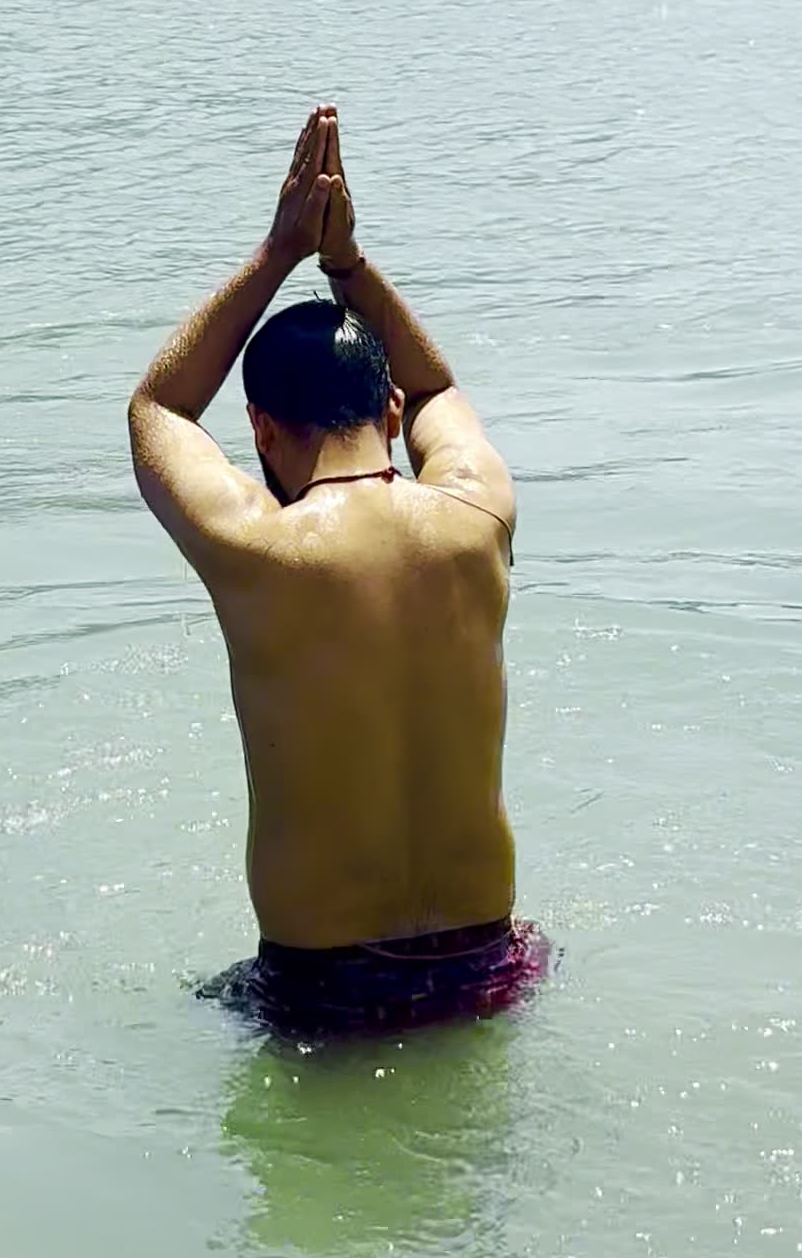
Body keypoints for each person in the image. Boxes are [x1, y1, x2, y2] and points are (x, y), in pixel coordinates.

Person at [128, 107, 548, 1039]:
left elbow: (158, 405)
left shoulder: (260, 549)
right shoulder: (480, 517)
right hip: (491, 971)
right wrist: (346, 265)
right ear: (390, 414)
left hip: (323, 996)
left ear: (262, 430)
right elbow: (442, 387)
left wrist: (279, 250)